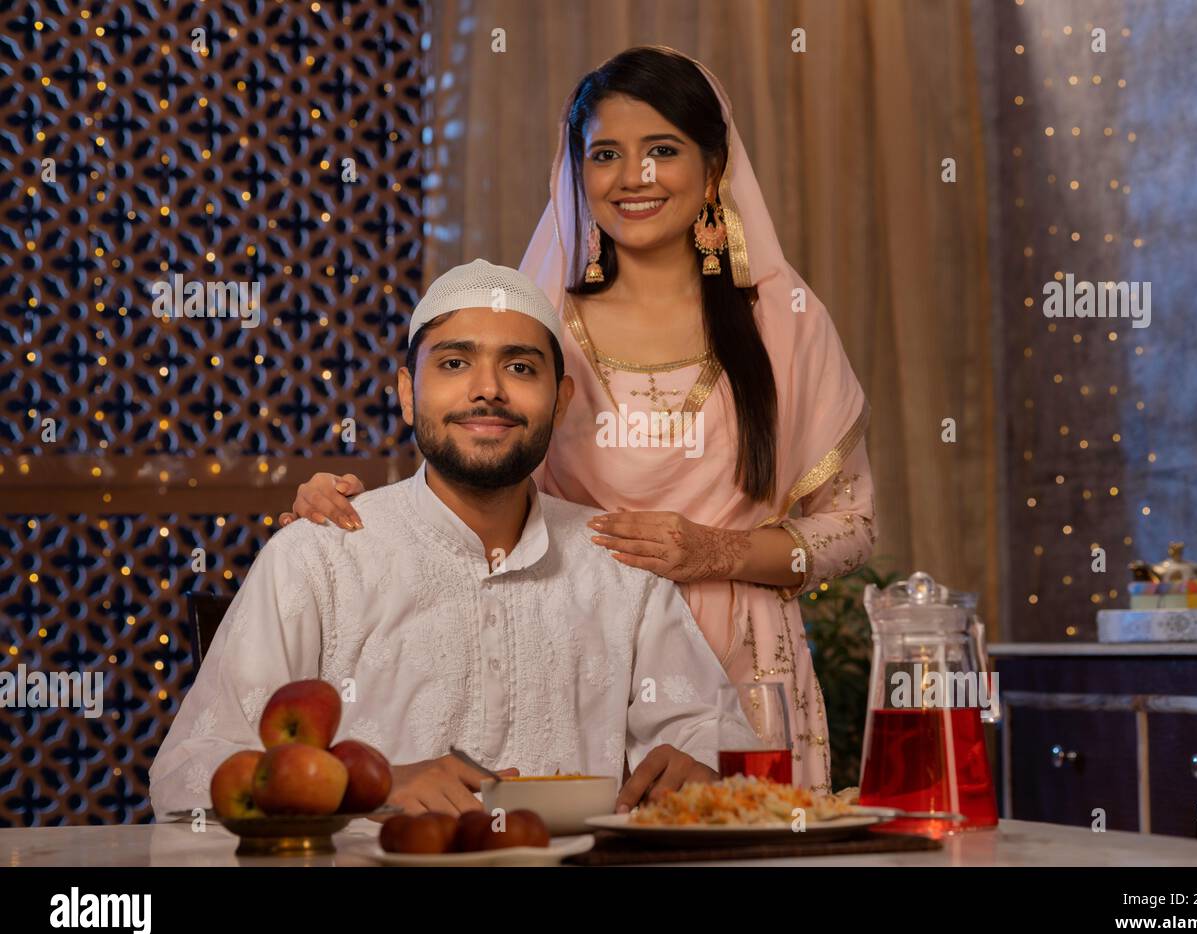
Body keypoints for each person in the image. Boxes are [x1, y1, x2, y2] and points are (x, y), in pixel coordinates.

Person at [283, 47, 875, 793]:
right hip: (577, 655)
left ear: (714, 165)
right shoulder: (542, 324)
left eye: (662, 150)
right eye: (606, 154)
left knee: (733, 833)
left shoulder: (783, 321)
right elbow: (474, 473)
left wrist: (717, 552)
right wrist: (336, 507)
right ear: (577, 170)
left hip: (747, 661)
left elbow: (852, 527)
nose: (634, 178)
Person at [149, 260, 759, 818]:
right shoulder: (320, 555)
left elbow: (717, 740)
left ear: (561, 401)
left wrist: (702, 767)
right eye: (454, 363)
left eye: (520, 367)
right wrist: (372, 784)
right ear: (407, 395)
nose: (487, 388)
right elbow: (187, 777)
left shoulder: (619, 564)